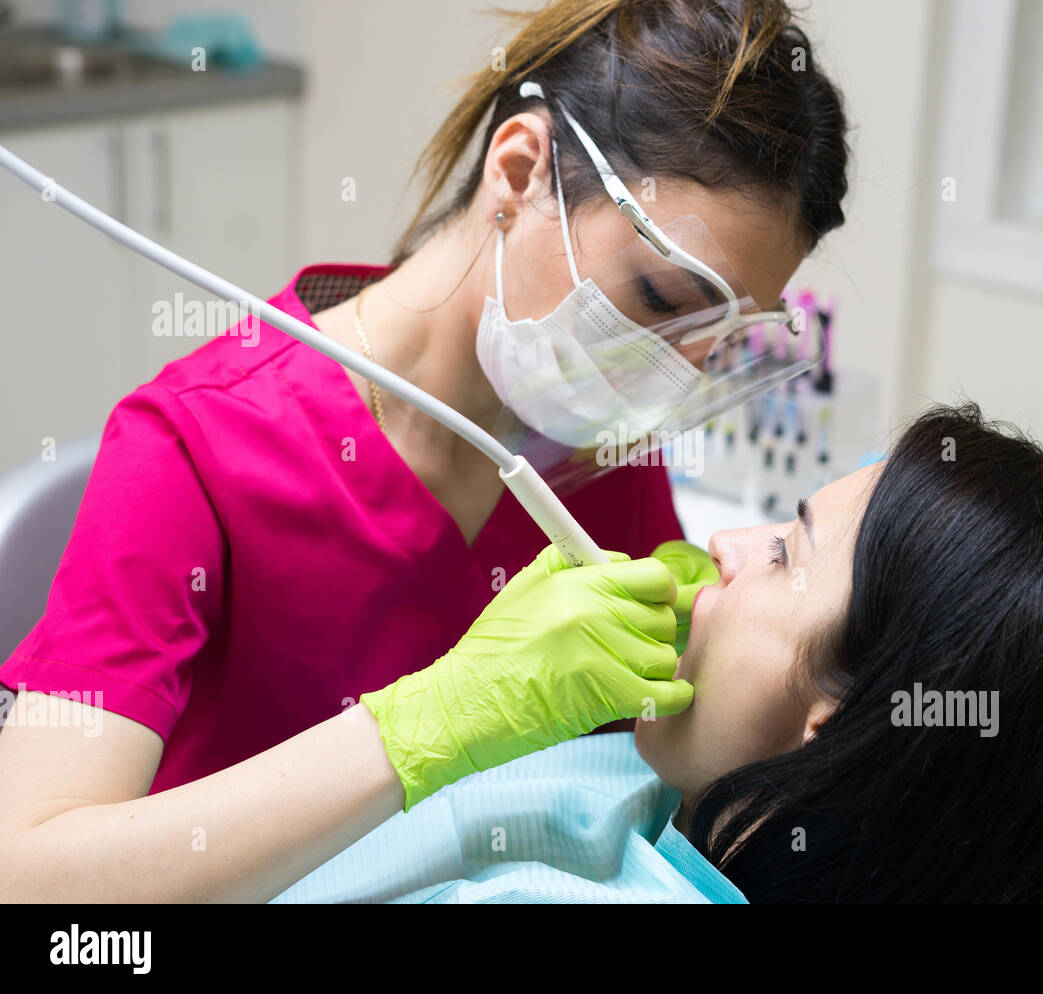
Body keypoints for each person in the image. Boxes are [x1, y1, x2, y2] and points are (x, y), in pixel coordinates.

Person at [0, 0, 849, 902]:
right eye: (657, 296)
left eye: (719, 337)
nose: (674, 374)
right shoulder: (196, 446)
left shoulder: (606, 458)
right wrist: (431, 721)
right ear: (520, 171)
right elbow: (31, 879)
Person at [270, 404, 1043, 904]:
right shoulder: (666, 786)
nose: (725, 546)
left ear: (834, 727)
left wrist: (429, 720)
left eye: (783, 550)